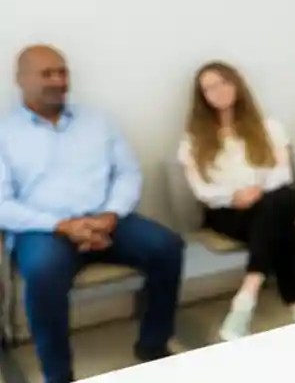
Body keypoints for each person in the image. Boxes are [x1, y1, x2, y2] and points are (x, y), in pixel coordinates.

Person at [0, 46, 184, 383]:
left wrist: (110, 215)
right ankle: (58, 373)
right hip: (44, 229)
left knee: (167, 246)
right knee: (42, 271)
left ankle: (153, 344)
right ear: (20, 79)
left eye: (63, 72)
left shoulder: (98, 121)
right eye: (47, 74)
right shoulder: (5, 133)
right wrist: (63, 225)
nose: (58, 80)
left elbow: (128, 173)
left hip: (106, 219)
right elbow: (2, 204)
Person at [177, 61, 295, 341]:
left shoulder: (269, 127)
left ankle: (247, 294)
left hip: (266, 201)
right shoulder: (193, 140)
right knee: (286, 226)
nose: (219, 91)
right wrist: (232, 196)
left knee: (286, 198)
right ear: (202, 97)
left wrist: (256, 191)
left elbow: (282, 172)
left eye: (224, 82)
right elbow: (201, 190)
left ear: (236, 84)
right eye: (209, 88)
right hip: (226, 212)